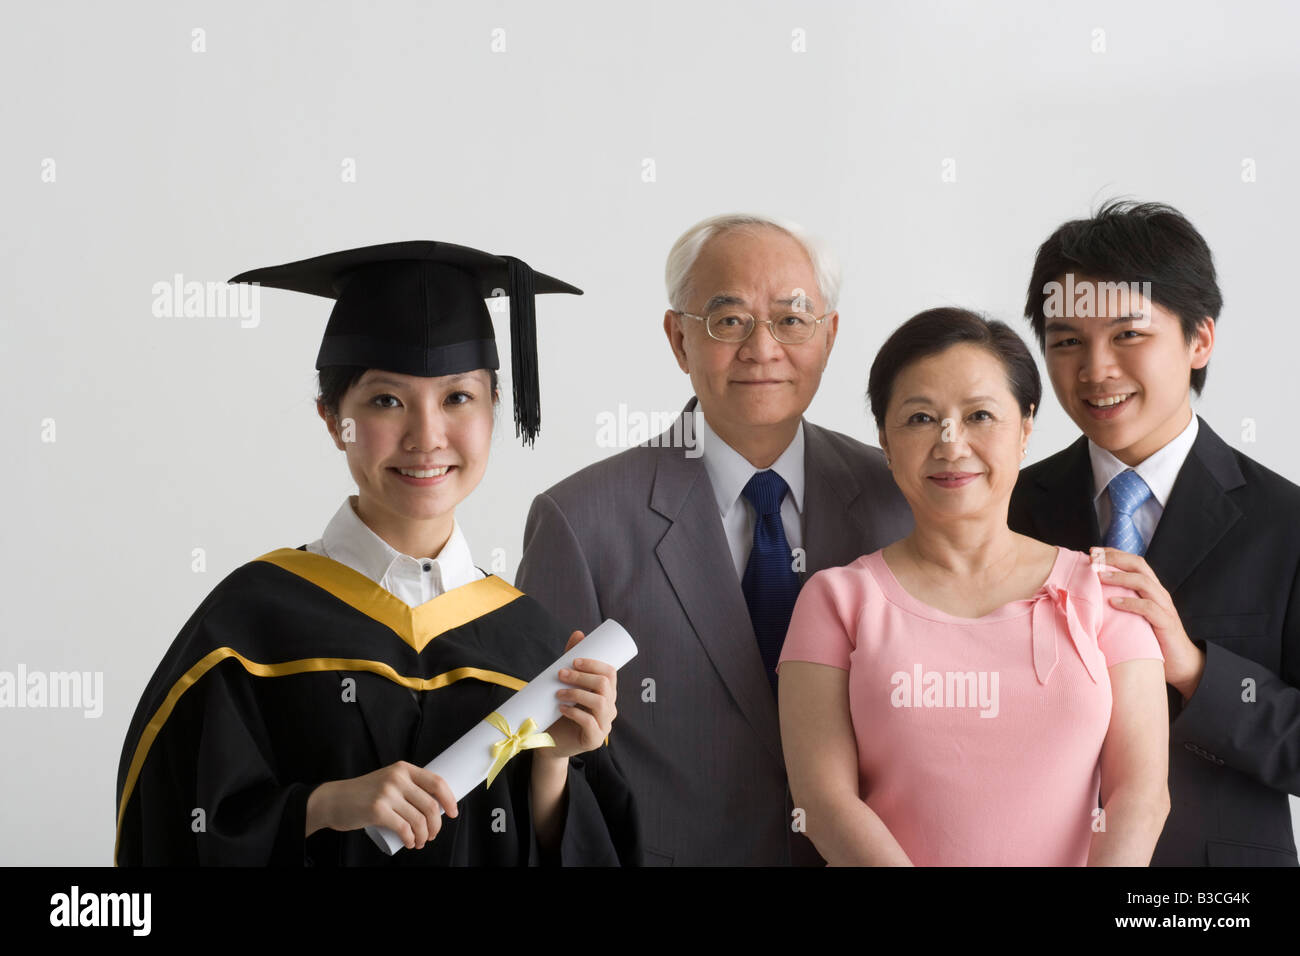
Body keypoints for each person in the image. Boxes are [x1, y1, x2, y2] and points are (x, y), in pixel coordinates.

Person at [115, 241, 639, 866]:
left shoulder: (532, 647)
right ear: (332, 418)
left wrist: (552, 762)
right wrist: (324, 806)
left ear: (495, 409)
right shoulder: (246, 629)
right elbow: (170, 834)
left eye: (457, 397)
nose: (426, 436)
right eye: (386, 400)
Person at [514, 213, 913, 865]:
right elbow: (546, 765)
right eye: (729, 321)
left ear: (829, 336)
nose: (762, 349)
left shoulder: (900, 500)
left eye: (791, 319)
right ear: (678, 339)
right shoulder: (580, 523)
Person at [779, 308, 1170, 865]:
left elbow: (1142, 795)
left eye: (980, 415)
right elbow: (822, 801)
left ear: (1026, 429)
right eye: (919, 418)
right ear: (885, 442)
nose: (951, 444)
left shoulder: (1105, 593)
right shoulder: (836, 600)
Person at [1008, 200, 1300, 866]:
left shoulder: (1286, 524)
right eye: (1067, 341)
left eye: (1128, 335)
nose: (1095, 369)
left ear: (1200, 338)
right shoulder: (1008, 510)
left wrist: (1196, 671)